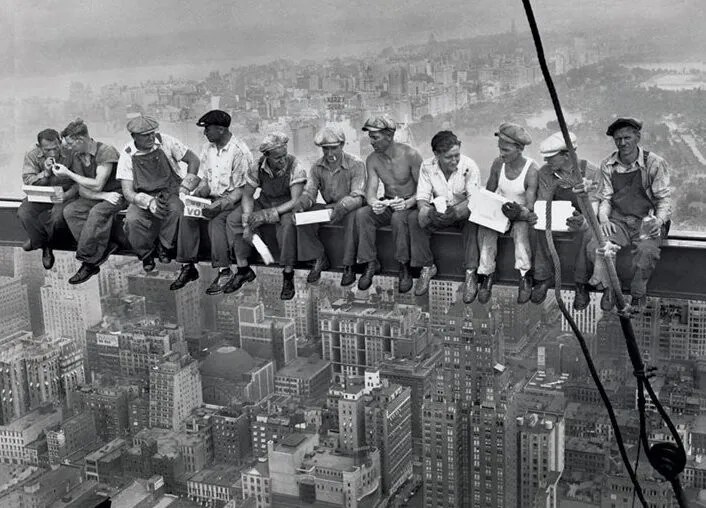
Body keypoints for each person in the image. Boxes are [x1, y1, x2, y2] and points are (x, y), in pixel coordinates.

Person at [587, 117, 671, 311]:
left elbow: (664, 199)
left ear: (637, 137)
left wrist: (658, 222)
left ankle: (637, 293)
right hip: (620, 219)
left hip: (647, 220)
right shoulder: (608, 164)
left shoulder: (654, 163)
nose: (622, 143)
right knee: (599, 243)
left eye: (627, 137)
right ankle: (609, 288)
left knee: (647, 251)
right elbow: (605, 198)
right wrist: (604, 218)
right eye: (618, 139)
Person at [170, 110, 253, 293]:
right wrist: (197, 194)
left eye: (208, 128)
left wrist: (222, 204)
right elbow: (206, 179)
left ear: (221, 129)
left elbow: (242, 188)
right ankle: (188, 266)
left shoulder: (239, 152)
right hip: (212, 198)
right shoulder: (208, 149)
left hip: (231, 200)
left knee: (216, 222)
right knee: (187, 215)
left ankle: (224, 270)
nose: (205, 132)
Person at [225, 132, 306, 300]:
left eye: (284, 156)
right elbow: (248, 195)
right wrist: (248, 220)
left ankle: (288, 274)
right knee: (235, 219)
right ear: (267, 156)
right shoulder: (257, 166)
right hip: (264, 201)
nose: (282, 160)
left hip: (285, 206)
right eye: (277, 158)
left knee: (287, 226)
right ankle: (243, 268)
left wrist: (267, 215)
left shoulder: (295, 166)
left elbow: (295, 200)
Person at [117, 115, 200, 272]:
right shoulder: (127, 154)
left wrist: (186, 186)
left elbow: (193, 160)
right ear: (134, 136)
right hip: (143, 195)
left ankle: (165, 246)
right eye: (145, 135)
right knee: (132, 220)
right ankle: (145, 254)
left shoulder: (166, 142)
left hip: (169, 191)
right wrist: (149, 202)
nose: (151, 137)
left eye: (152, 133)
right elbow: (127, 192)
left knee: (176, 211)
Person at [530, 131, 599, 310]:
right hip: (556, 216)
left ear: (567, 154)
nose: (547, 161)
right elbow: (544, 199)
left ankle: (581, 284)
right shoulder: (546, 173)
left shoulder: (591, 172)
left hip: (582, 218)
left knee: (587, 233)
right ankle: (543, 277)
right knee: (538, 227)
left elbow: (594, 208)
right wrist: (542, 214)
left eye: (551, 157)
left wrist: (583, 220)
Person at [408, 130, 481, 298]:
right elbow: (422, 197)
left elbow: (474, 199)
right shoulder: (427, 166)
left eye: (457, 155)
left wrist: (456, 212)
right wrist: (428, 211)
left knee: (473, 221)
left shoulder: (469, 166)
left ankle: (471, 272)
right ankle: (427, 266)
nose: (455, 160)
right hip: (440, 211)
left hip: (462, 211)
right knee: (414, 218)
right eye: (449, 157)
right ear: (436, 155)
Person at [355, 115, 422, 292]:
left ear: (389, 136)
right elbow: (371, 189)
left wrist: (408, 203)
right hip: (389, 201)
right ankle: (370, 262)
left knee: (398, 220)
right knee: (362, 214)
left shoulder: (411, 155)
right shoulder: (373, 160)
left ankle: (404, 266)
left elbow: (424, 191)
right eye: (370, 137)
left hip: (410, 203)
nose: (371, 141)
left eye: (375, 137)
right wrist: (373, 202)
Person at [53, 119, 125, 284]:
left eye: (71, 144)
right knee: (70, 211)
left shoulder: (106, 151)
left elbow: (98, 183)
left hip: (118, 195)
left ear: (81, 140)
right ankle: (104, 247)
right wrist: (102, 196)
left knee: (97, 212)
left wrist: (69, 174)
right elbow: (82, 188)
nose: (69, 148)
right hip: (101, 196)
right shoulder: (78, 156)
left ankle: (88, 261)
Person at [292, 125, 366, 285]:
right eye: (326, 149)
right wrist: (302, 204)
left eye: (334, 148)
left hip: (350, 206)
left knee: (352, 218)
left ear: (342, 145)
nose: (330, 153)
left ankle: (349, 265)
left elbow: (358, 195)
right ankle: (318, 257)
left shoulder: (356, 164)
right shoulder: (317, 167)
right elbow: (310, 192)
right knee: (303, 218)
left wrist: (343, 206)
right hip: (329, 207)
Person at [476, 123, 539, 304]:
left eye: (506, 150)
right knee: (486, 229)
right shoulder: (498, 164)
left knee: (520, 232)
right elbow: (489, 191)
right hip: (501, 209)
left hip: (519, 213)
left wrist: (519, 212)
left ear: (519, 149)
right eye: (500, 149)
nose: (501, 154)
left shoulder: (531, 170)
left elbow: (530, 204)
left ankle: (524, 274)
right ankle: (487, 274)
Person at [17, 128, 77, 270]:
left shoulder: (70, 151)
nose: (53, 153)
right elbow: (28, 179)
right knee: (24, 213)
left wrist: (66, 195)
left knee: (57, 218)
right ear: (39, 147)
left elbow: (79, 181)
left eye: (55, 148)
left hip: (63, 193)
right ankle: (43, 243)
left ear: (60, 142)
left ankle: (42, 244)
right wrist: (46, 173)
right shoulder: (32, 154)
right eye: (47, 150)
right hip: (41, 193)